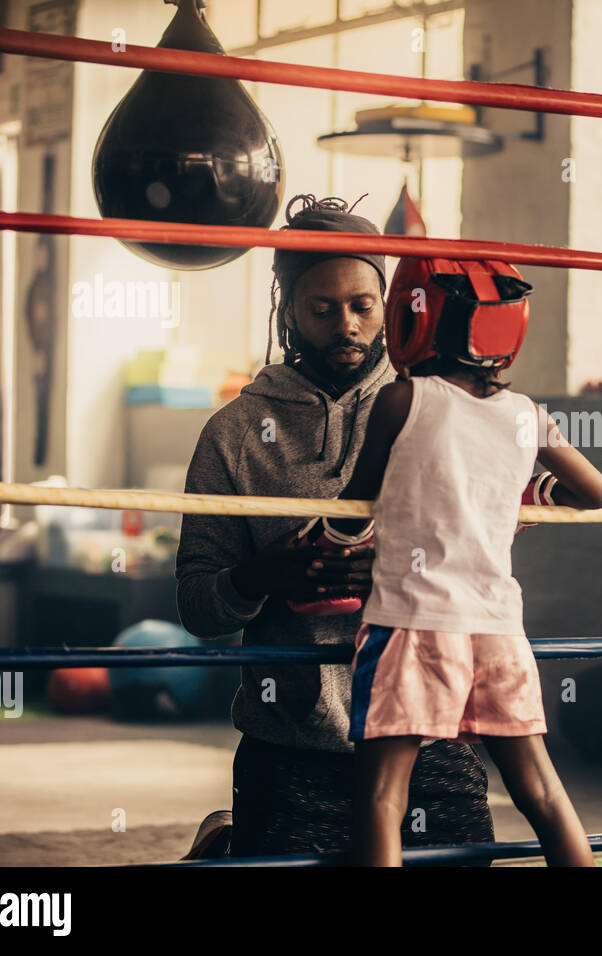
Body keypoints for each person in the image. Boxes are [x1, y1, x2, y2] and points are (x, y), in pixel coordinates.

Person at [175, 195, 495, 858]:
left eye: (362, 306)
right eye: (322, 309)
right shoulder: (235, 434)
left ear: (387, 304)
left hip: (434, 732)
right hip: (296, 746)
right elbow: (197, 608)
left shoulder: (444, 409)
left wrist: (401, 564)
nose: (345, 326)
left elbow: (493, 567)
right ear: (288, 310)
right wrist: (266, 574)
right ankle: (227, 843)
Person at [298, 255, 602, 866]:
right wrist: (535, 493)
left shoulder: (401, 399)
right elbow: (597, 494)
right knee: (542, 791)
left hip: (413, 623)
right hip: (497, 629)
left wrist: (324, 541)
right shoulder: (528, 416)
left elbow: (353, 509)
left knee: (384, 797)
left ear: (417, 325)